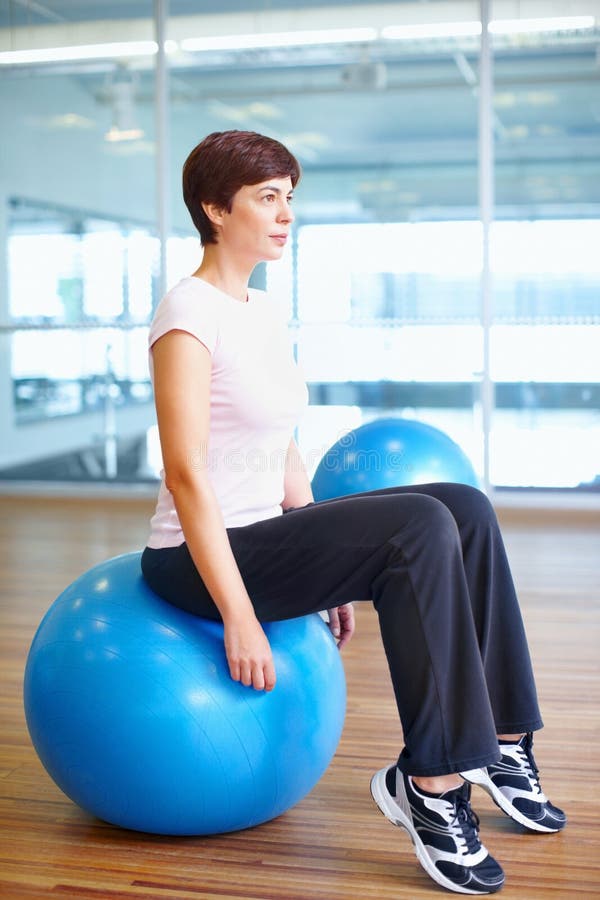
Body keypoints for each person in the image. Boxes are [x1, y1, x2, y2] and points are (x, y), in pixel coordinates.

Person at [141, 129, 566, 895]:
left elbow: (281, 443)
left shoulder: (260, 311)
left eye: (289, 198)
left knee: (461, 506)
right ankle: (430, 789)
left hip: (264, 536)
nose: (285, 215)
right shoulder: (186, 313)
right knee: (416, 525)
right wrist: (238, 613)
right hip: (196, 562)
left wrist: (324, 560)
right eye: (266, 198)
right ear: (213, 207)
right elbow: (186, 475)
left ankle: (502, 738)